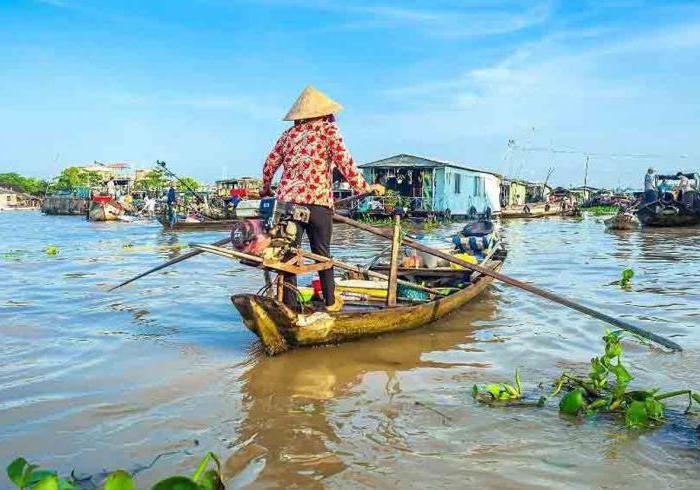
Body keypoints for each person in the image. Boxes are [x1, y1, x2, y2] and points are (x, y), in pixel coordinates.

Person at [261, 85, 384, 312]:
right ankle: (330, 302)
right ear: (324, 113)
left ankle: (290, 305)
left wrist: (266, 189)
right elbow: (345, 163)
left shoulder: (288, 136)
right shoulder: (328, 131)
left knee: (289, 252)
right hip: (317, 203)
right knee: (322, 254)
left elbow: (270, 165)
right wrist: (366, 187)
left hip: (287, 204)